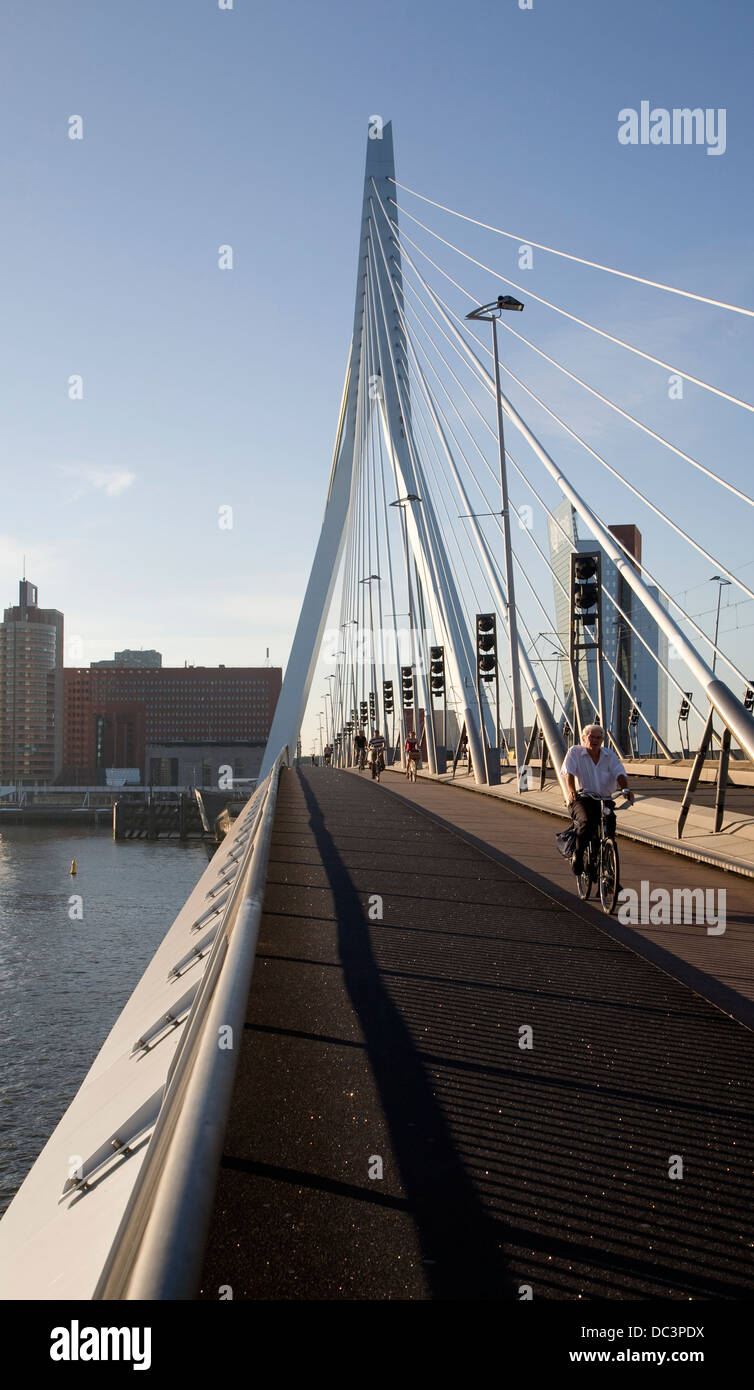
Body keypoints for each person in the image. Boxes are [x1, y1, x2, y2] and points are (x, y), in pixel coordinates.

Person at [561, 725, 634, 875]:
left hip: (604, 799)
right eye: (591, 737)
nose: (594, 740)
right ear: (583, 739)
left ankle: (609, 872)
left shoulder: (609, 755)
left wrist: (626, 789)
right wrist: (571, 791)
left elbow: (619, 773)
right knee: (586, 822)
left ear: (602, 740)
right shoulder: (575, 752)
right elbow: (568, 773)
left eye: (598, 738)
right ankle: (578, 856)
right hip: (582, 798)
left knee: (610, 829)